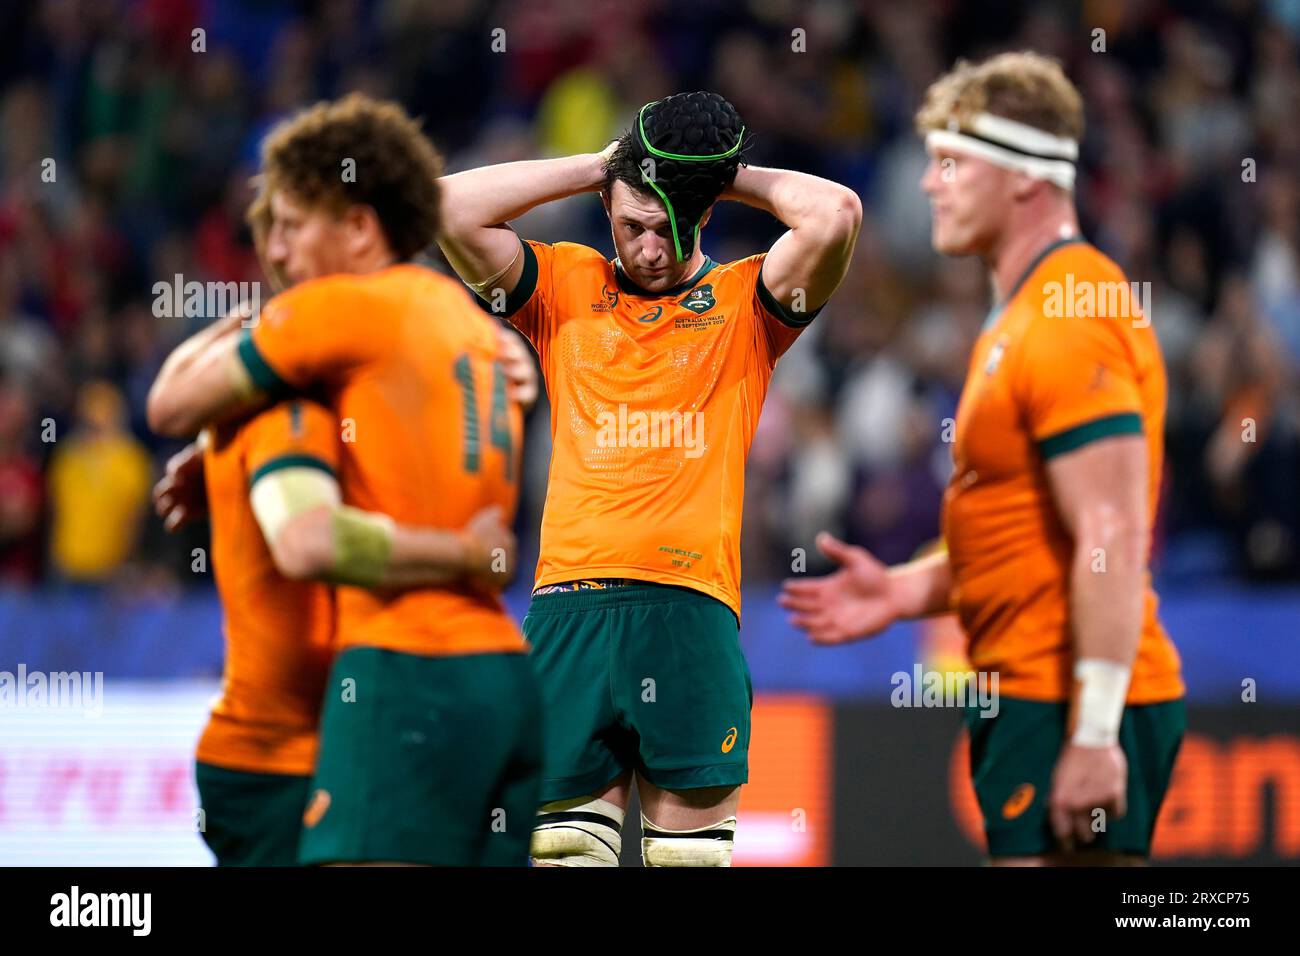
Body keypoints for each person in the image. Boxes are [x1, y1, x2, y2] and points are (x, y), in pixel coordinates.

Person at [438, 90, 862, 866]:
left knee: (686, 864)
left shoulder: (747, 306)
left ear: (699, 217)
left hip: (689, 610)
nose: (651, 248)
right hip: (569, 607)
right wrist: (605, 164)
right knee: (567, 854)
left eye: (669, 226)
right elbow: (447, 208)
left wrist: (715, 176)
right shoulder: (562, 289)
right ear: (605, 209)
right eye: (631, 225)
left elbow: (835, 215)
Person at [780, 53, 1184, 865]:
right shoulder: (1025, 313)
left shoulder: (1070, 310)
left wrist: (1097, 731)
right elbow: (1029, 538)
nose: (930, 185)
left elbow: (1110, 527)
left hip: (1066, 693)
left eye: (950, 162)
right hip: (1036, 686)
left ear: (1026, 178)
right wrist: (904, 589)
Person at [148, 93, 541, 866]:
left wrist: (231, 363)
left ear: (360, 227)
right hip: (502, 675)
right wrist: (231, 465)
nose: (279, 258)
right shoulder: (478, 332)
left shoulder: (343, 312)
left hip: (403, 670)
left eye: (293, 228)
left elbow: (168, 403)